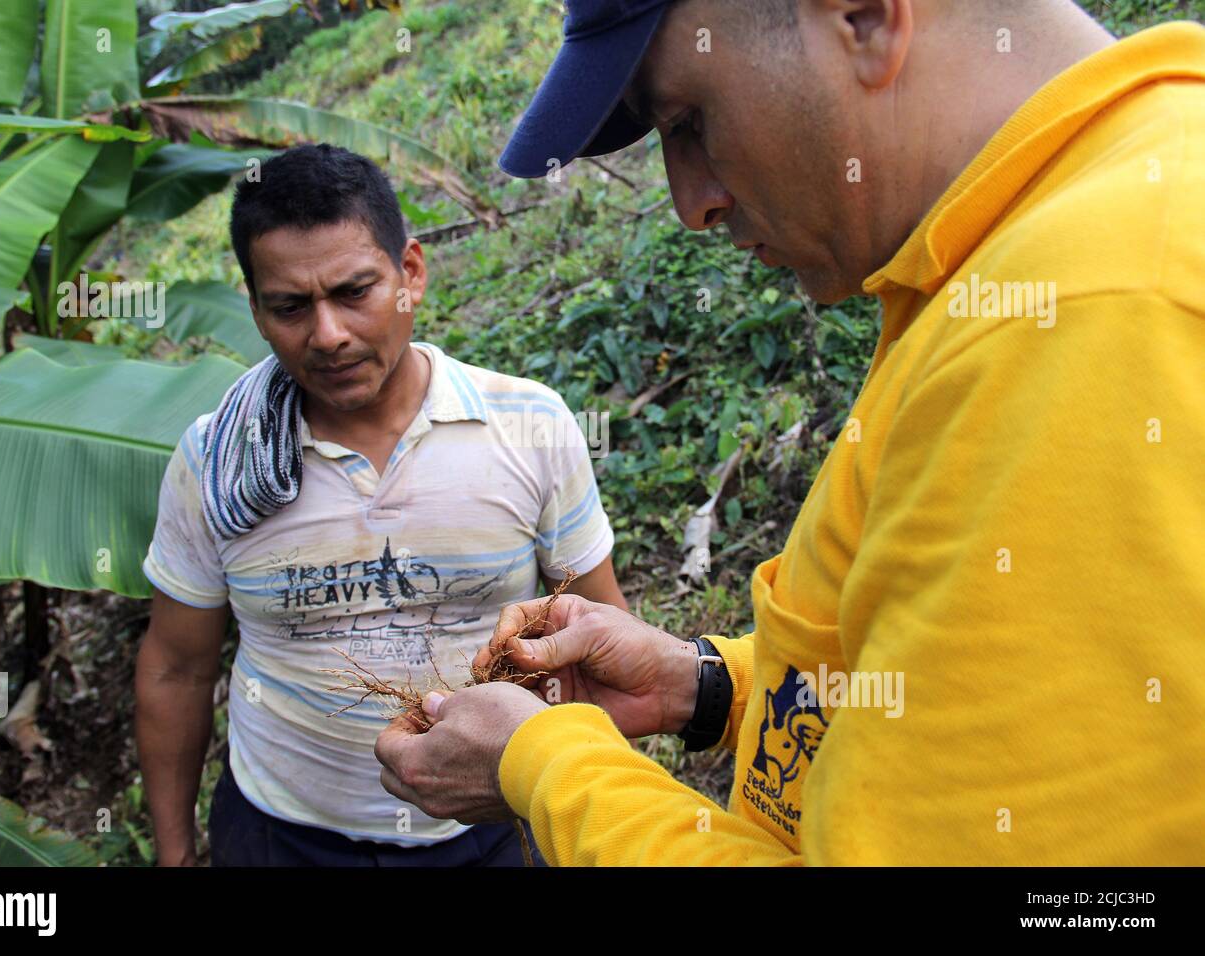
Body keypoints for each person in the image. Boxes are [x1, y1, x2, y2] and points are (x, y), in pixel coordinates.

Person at [374, 0, 1205, 864]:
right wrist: (706, 687)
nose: (692, 203)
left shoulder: (1092, 317)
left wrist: (544, 767)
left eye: (689, 122)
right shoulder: (1022, 257)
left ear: (863, 17)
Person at [134, 144, 626, 866]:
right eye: (291, 307)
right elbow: (176, 668)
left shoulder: (529, 427)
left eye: (354, 292)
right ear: (257, 311)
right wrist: (175, 854)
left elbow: (598, 633)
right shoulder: (220, 462)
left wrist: (596, 808)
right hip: (282, 836)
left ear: (411, 274)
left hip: (495, 819)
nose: (328, 335)